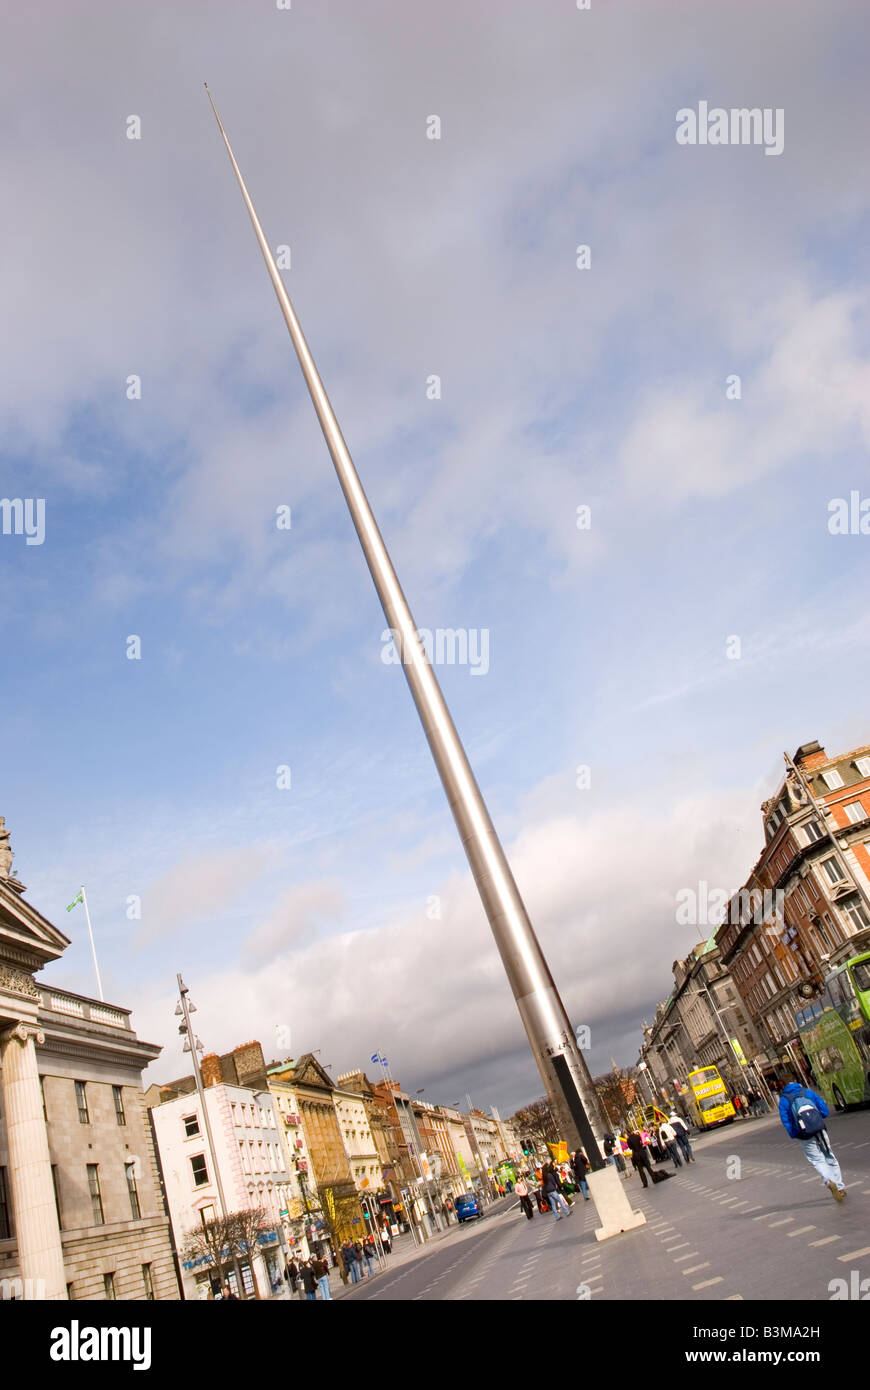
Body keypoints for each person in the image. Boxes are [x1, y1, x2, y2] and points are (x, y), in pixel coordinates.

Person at [778, 1082, 846, 1201]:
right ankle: (840, 1187)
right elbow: (823, 1109)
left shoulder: (783, 1100)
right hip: (819, 1129)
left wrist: (794, 1133)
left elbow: (786, 1121)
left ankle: (828, 1181)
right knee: (829, 1155)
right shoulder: (807, 1092)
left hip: (803, 1134)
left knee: (817, 1159)